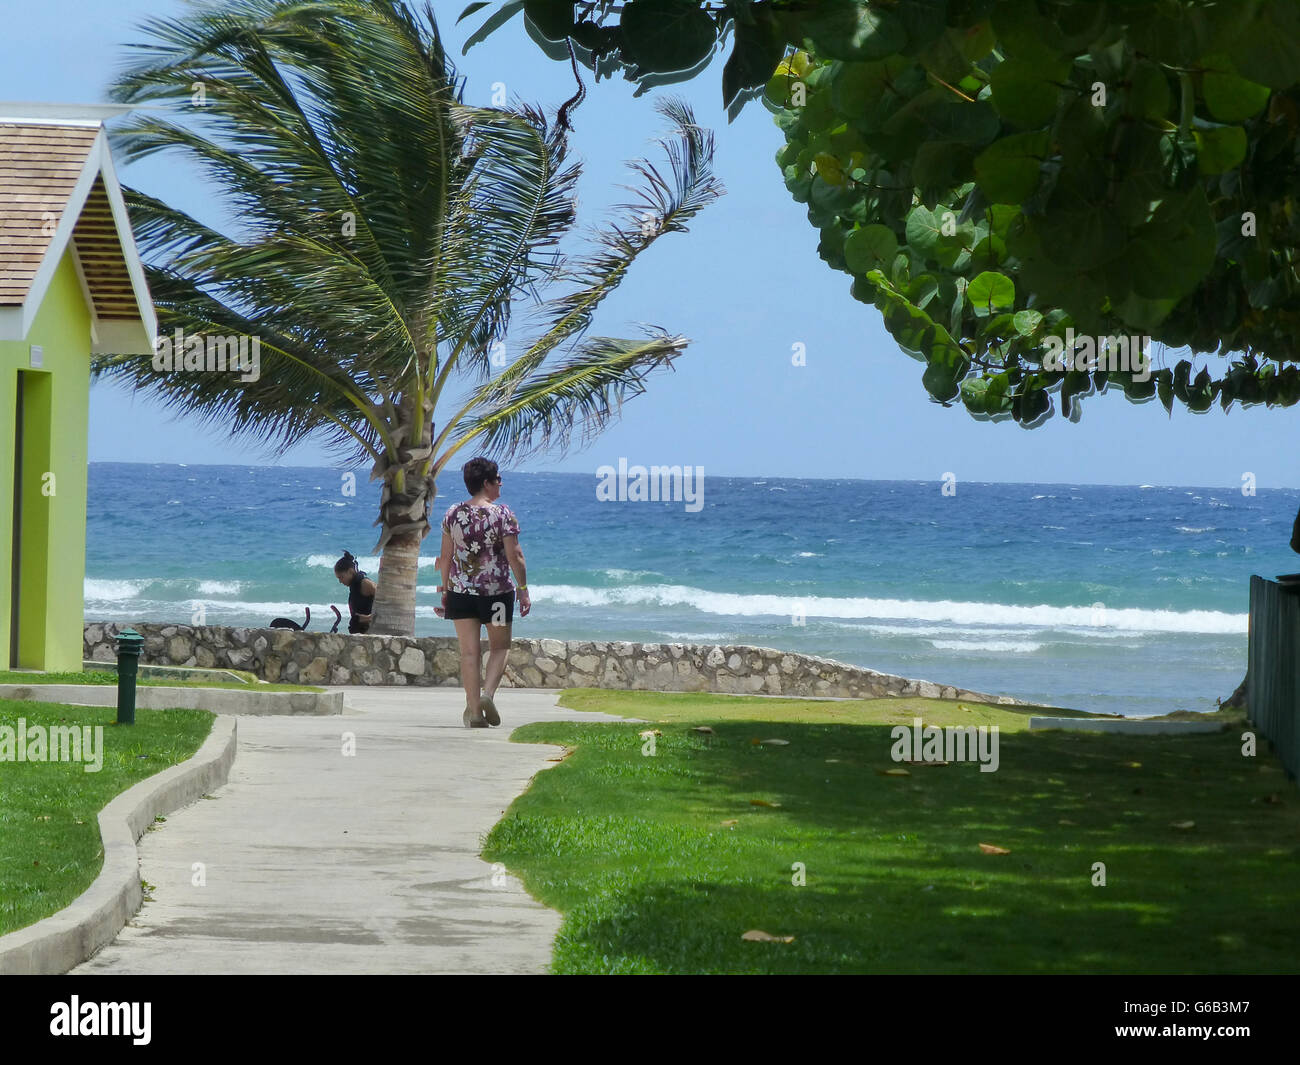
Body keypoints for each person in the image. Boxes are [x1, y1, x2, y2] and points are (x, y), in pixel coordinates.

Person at [438, 457, 530, 728]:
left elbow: (446, 556)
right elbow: (516, 555)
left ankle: (474, 711)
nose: (501, 484)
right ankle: (487, 695)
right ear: (487, 484)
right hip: (496, 595)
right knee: (500, 647)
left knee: (469, 653)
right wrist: (523, 589)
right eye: (498, 479)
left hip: (460, 592)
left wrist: (445, 588)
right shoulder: (502, 514)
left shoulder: (453, 513)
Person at [334, 550, 376, 633]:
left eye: (341, 577)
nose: (340, 581)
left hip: (368, 634)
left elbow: (386, 602)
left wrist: (369, 618)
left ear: (350, 571)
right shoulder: (354, 586)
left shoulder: (365, 583)